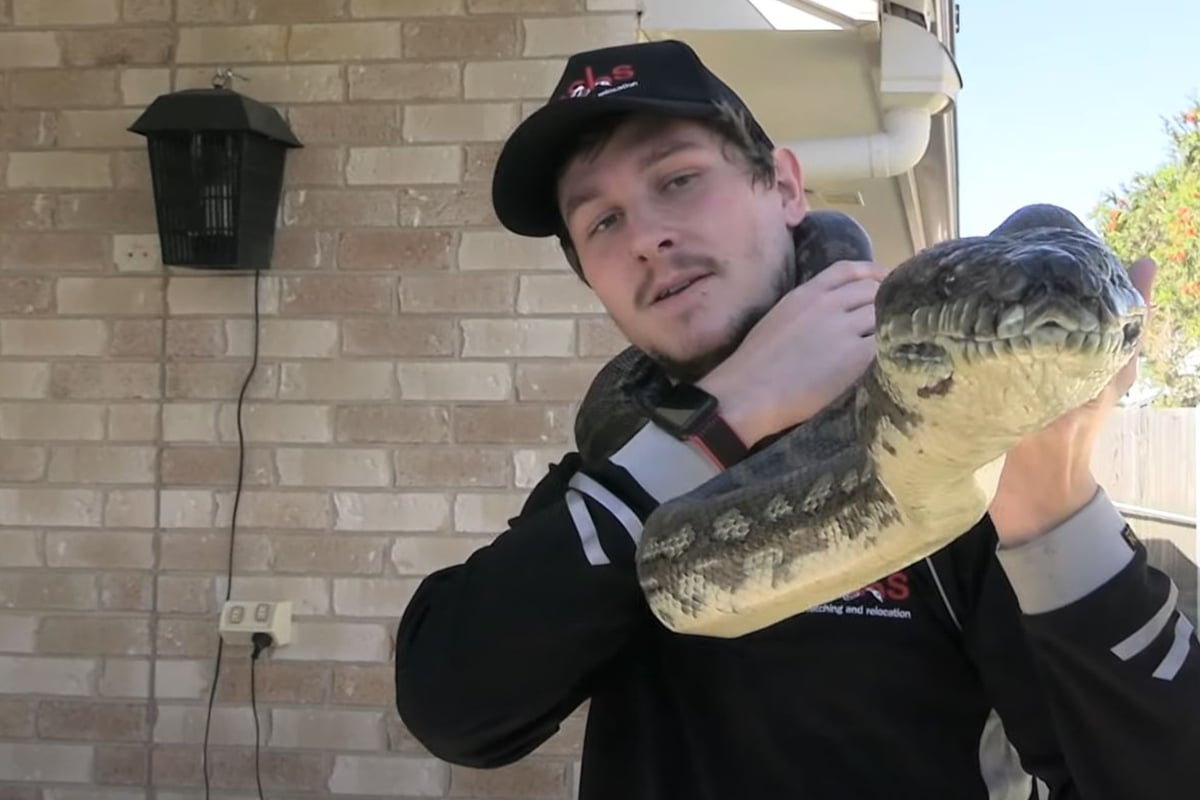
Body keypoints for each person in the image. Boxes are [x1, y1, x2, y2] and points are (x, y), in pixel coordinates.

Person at [393, 39, 1199, 799]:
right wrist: (724, 416)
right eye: (602, 221)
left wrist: (1052, 515)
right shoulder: (618, 474)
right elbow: (452, 704)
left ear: (784, 187)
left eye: (677, 180)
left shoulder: (949, 448)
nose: (647, 236)